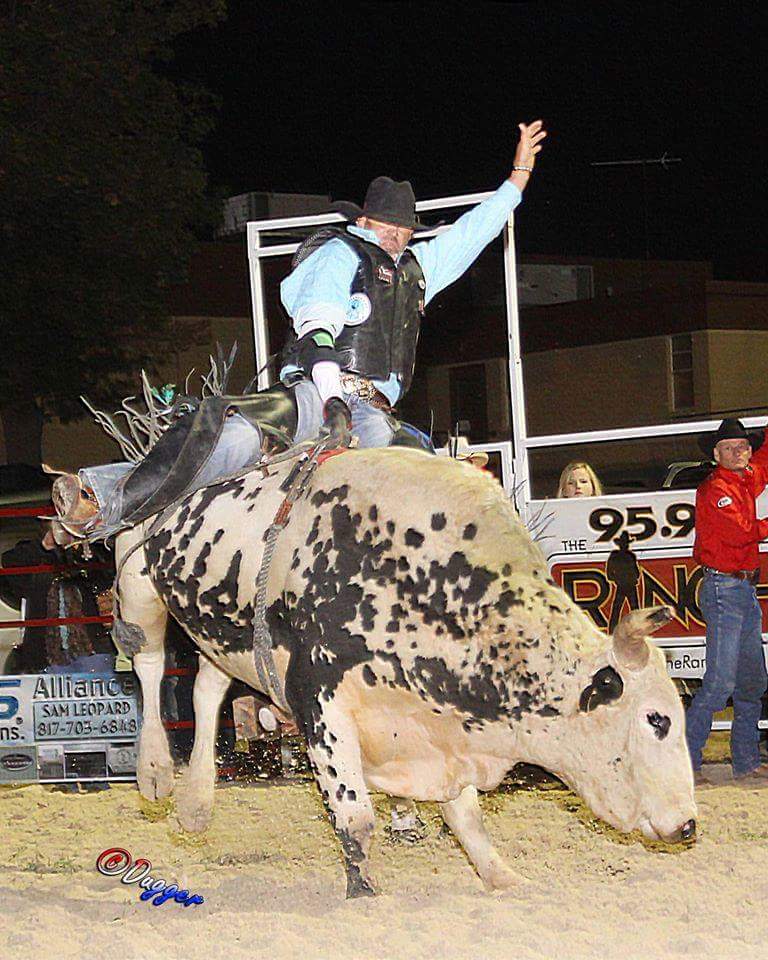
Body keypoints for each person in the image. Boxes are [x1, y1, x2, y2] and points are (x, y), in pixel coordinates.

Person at [280, 120, 547, 448]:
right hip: (315, 392)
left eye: (402, 227)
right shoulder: (339, 253)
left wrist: (519, 176)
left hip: (373, 409)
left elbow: (472, 233)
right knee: (246, 437)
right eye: (385, 223)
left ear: (411, 232)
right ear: (362, 221)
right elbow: (317, 323)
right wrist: (333, 400)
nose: (394, 233)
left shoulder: (415, 270)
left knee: (423, 454)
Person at [686, 418, 768, 785]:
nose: (738, 452)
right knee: (721, 684)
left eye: (743, 447)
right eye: (730, 448)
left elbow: (764, 462)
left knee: (751, 681)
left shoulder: (743, 478)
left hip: (739, 588)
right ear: (717, 455)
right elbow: (740, 532)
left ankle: (745, 760)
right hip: (726, 588)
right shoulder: (716, 489)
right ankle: (687, 762)